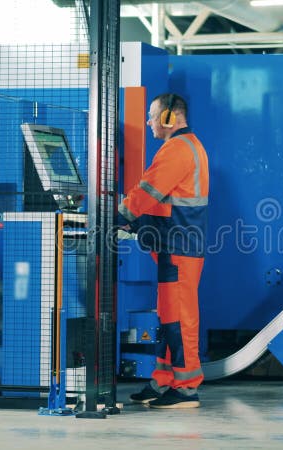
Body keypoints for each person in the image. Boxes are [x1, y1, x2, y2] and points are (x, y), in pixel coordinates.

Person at [118, 93, 209, 409]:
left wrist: (122, 214)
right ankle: (165, 380)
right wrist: (135, 221)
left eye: (152, 115)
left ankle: (186, 388)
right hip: (175, 246)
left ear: (170, 118)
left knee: (180, 319)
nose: (148, 121)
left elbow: (148, 190)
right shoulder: (184, 147)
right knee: (170, 317)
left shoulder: (178, 149)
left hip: (179, 247)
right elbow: (161, 197)